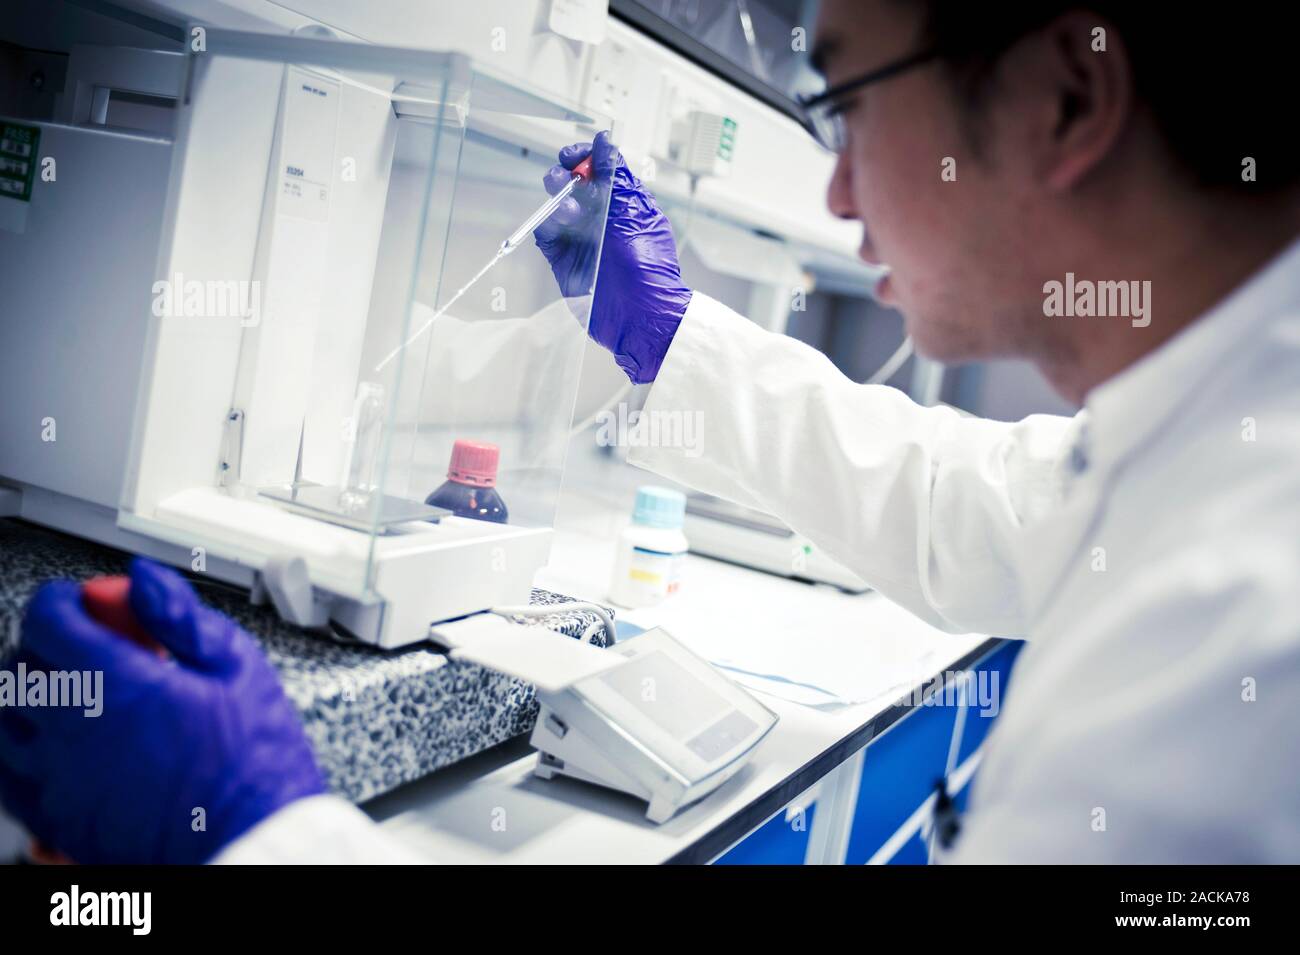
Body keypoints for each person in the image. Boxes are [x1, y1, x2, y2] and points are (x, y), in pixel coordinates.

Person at [4, 0, 1299, 863]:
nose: (840, 183)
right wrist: (664, 337)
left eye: (845, 100)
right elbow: (988, 505)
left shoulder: (1240, 624)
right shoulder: (1220, 448)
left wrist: (265, 832)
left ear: (1066, 100)